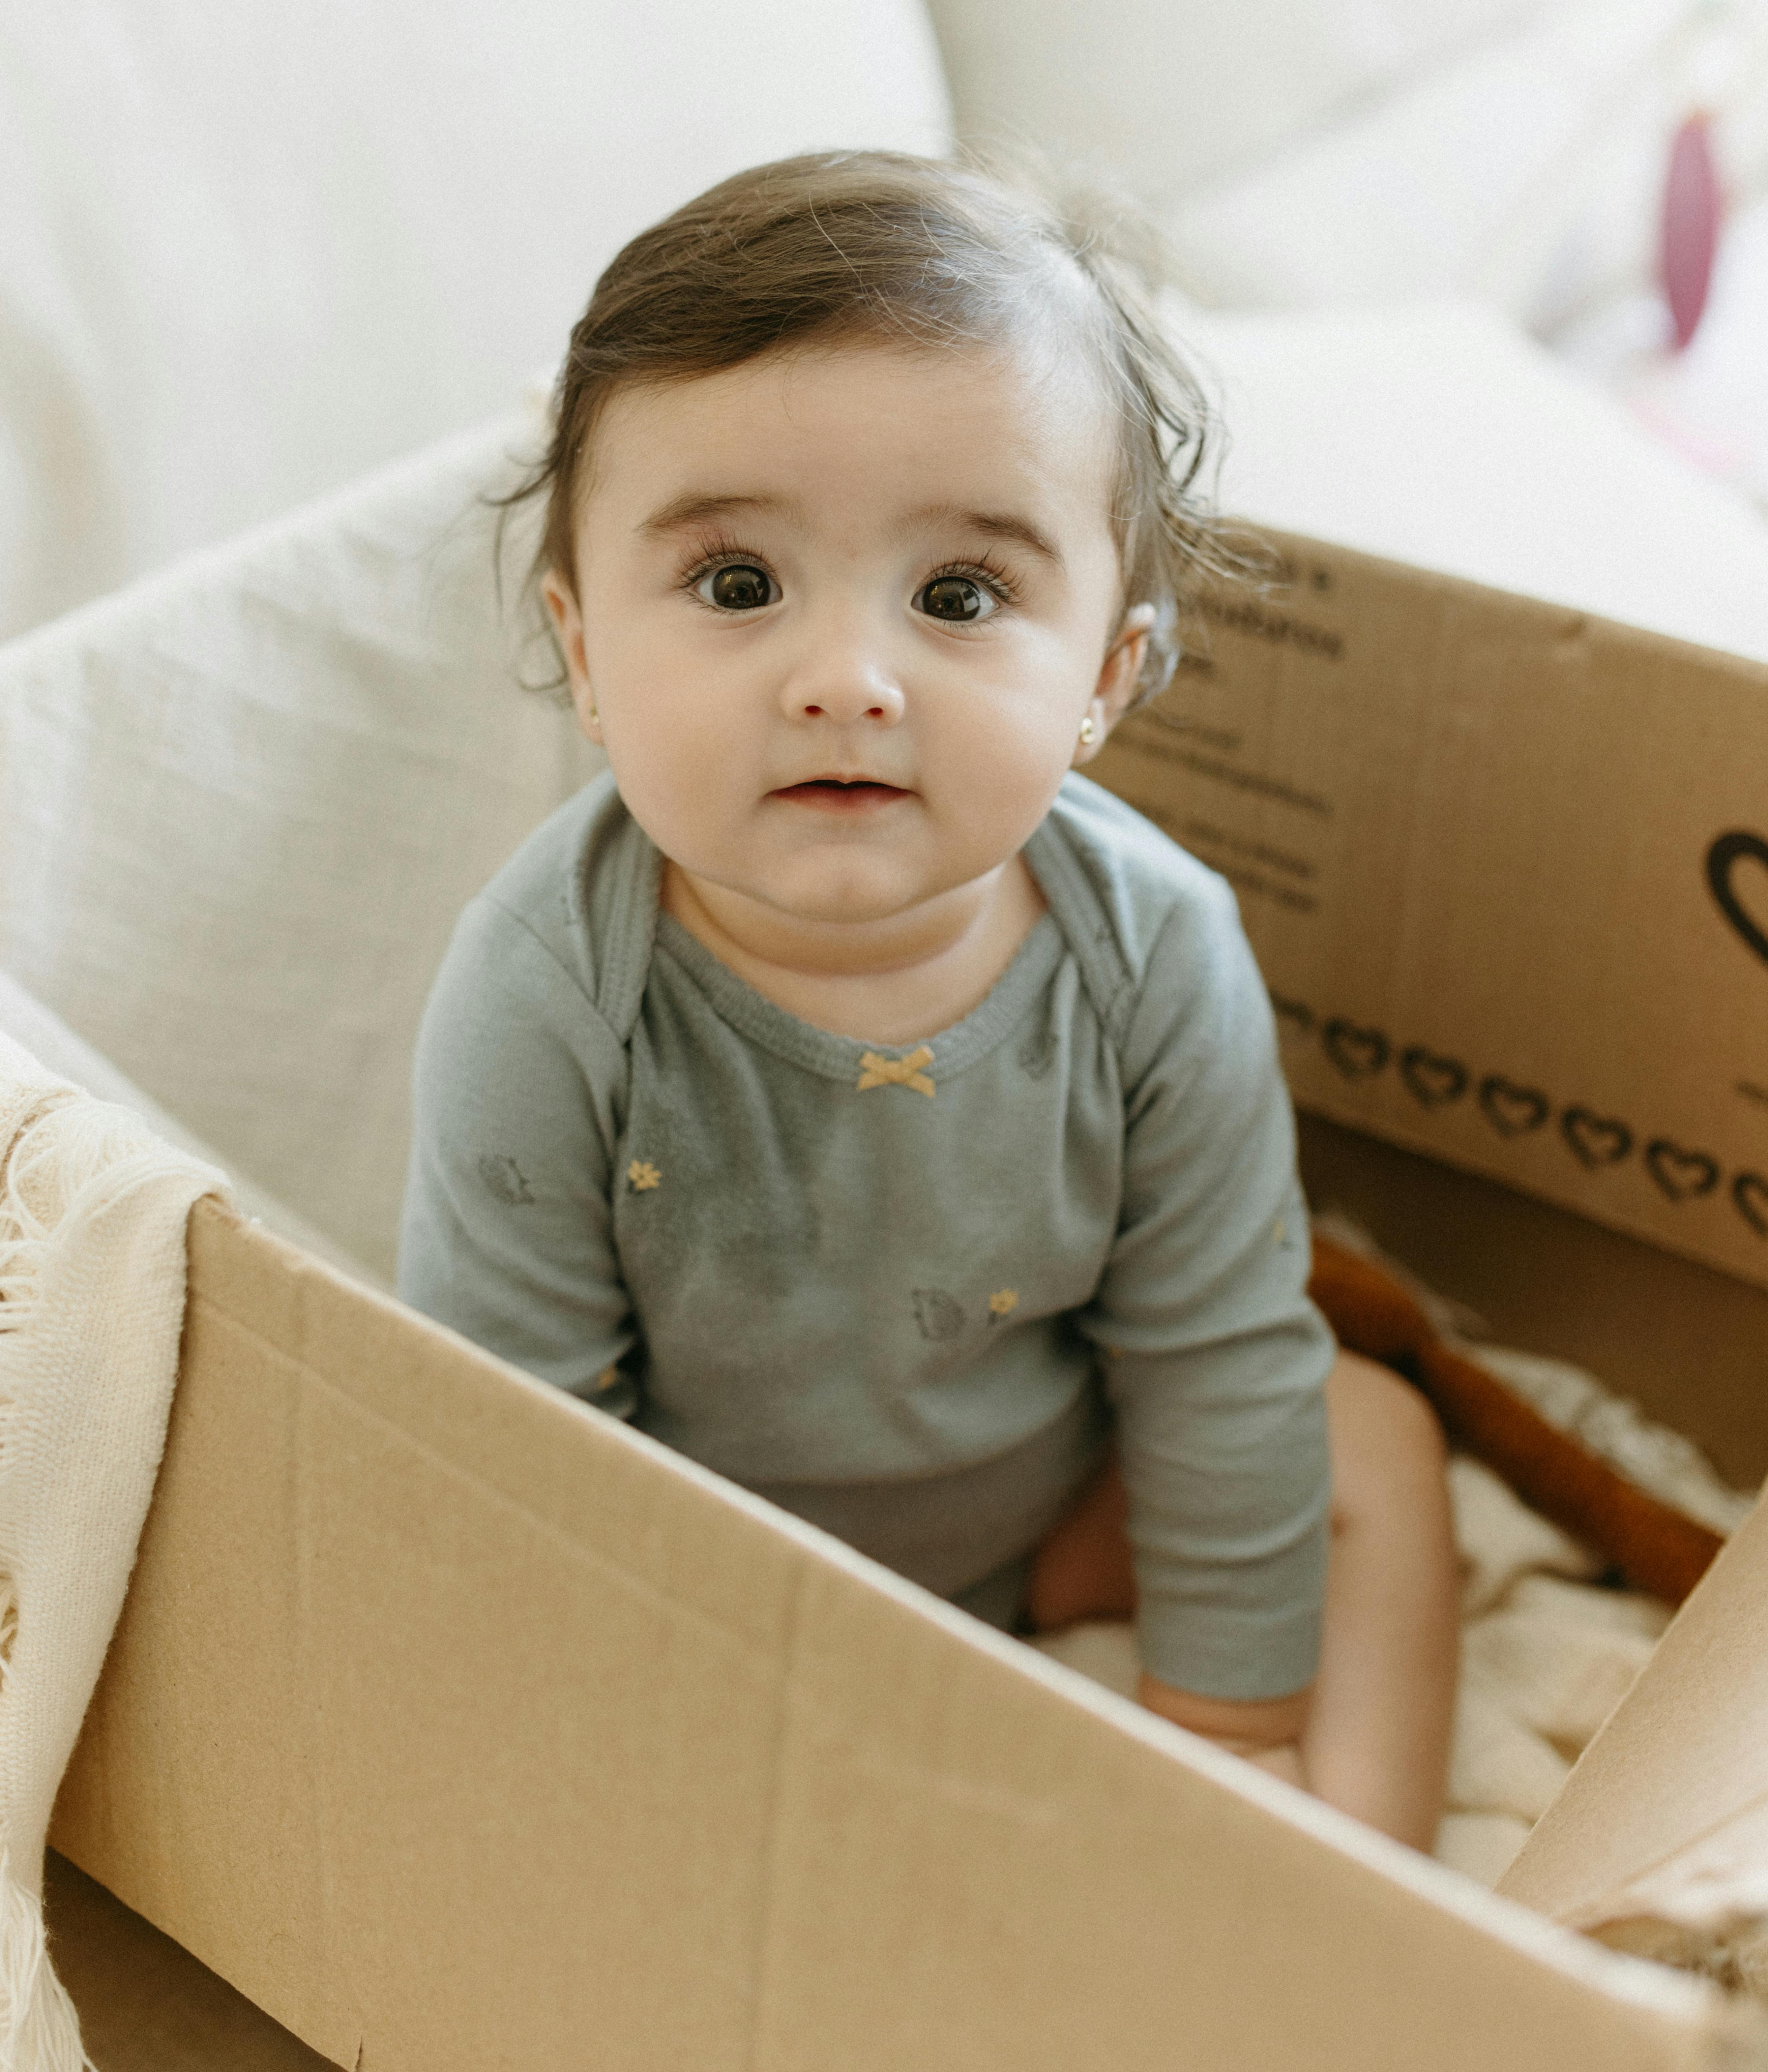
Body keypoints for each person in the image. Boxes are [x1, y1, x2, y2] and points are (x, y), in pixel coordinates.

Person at [397, 150, 1458, 1845]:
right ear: (585, 650)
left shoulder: (1156, 952)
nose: (846, 681)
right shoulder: (545, 989)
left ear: (1105, 675)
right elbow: (521, 1443)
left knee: (1368, 1441)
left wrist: (1229, 1724)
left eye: (959, 597)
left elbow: (1210, 1352)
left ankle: (1361, 1899)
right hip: (708, 1590)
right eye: (737, 584)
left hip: (1045, 1516)